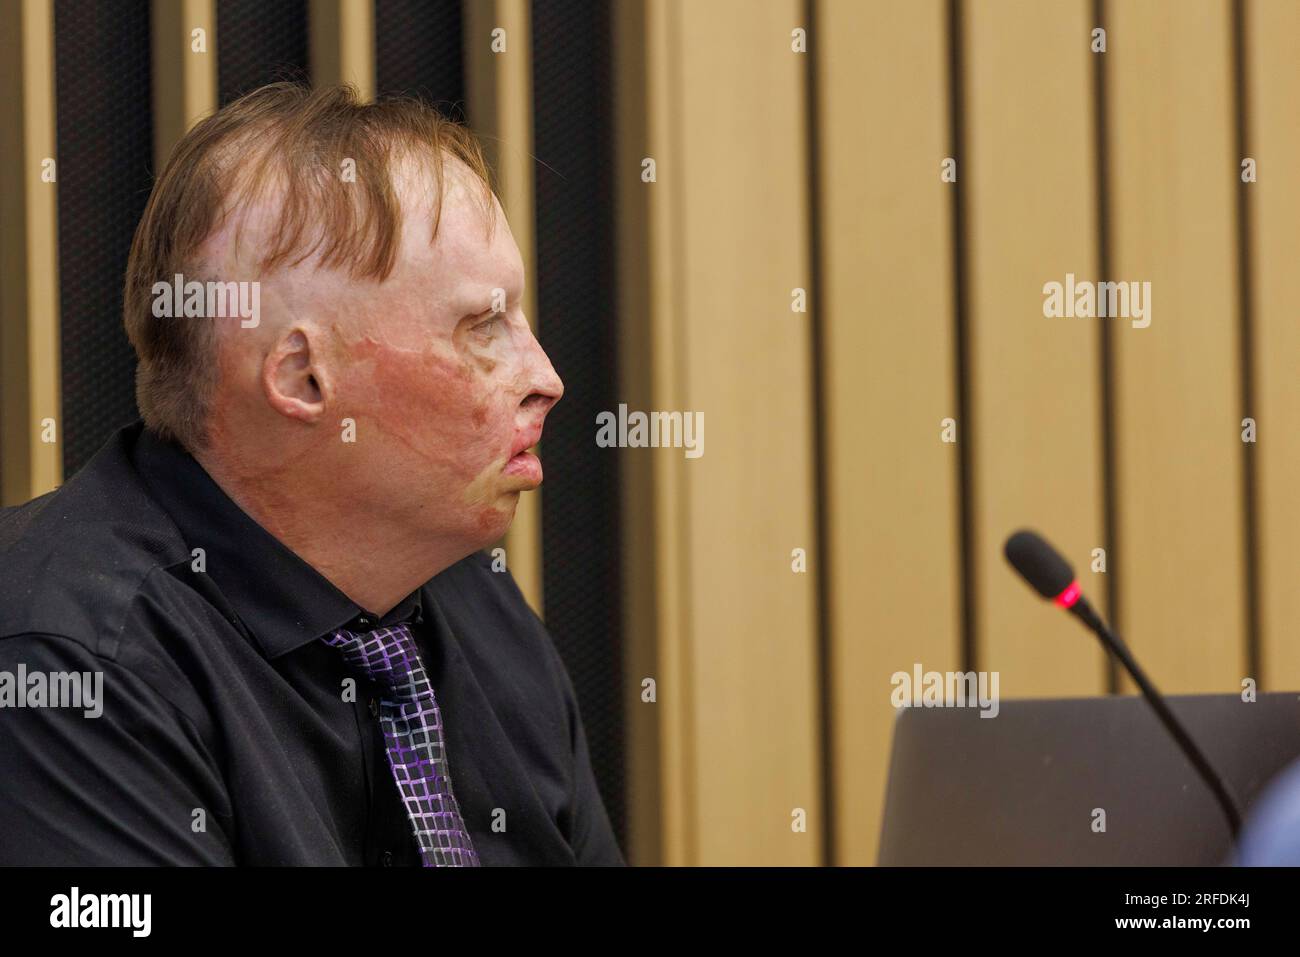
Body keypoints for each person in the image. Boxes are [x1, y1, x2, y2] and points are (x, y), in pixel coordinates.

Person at [0, 83, 624, 866]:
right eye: (483, 325)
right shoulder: (66, 663)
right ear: (302, 379)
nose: (546, 376)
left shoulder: (475, 602)